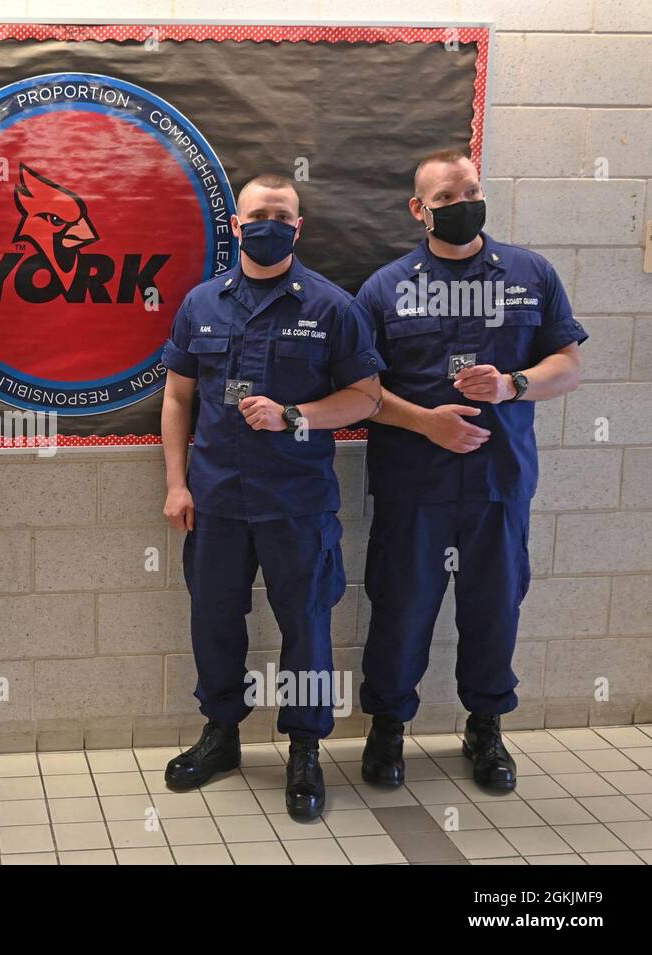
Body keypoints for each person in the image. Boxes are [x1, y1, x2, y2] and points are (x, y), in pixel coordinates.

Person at [354, 149, 586, 792]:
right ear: (419, 209)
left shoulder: (530, 273)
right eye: (447, 198)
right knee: (401, 606)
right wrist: (426, 421)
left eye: (471, 192)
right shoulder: (385, 287)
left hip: (498, 484)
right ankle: (387, 727)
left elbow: (567, 365)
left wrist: (513, 384)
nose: (463, 205)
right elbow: (362, 390)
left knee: (494, 607)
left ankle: (485, 727)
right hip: (413, 487)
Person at [160, 174, 384, 821]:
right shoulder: (202, 303)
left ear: (298, 226)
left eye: (281, 214)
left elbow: (366, 396)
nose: (269, 224)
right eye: (257, 214)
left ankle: (307, 746)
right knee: (215, 621)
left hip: (297, 503)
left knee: (307, 625)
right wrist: (176, 482)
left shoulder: (332, 305)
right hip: (217, 500)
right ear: (235, 224)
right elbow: (177, 398)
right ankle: (222, 734)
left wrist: (298, 415)